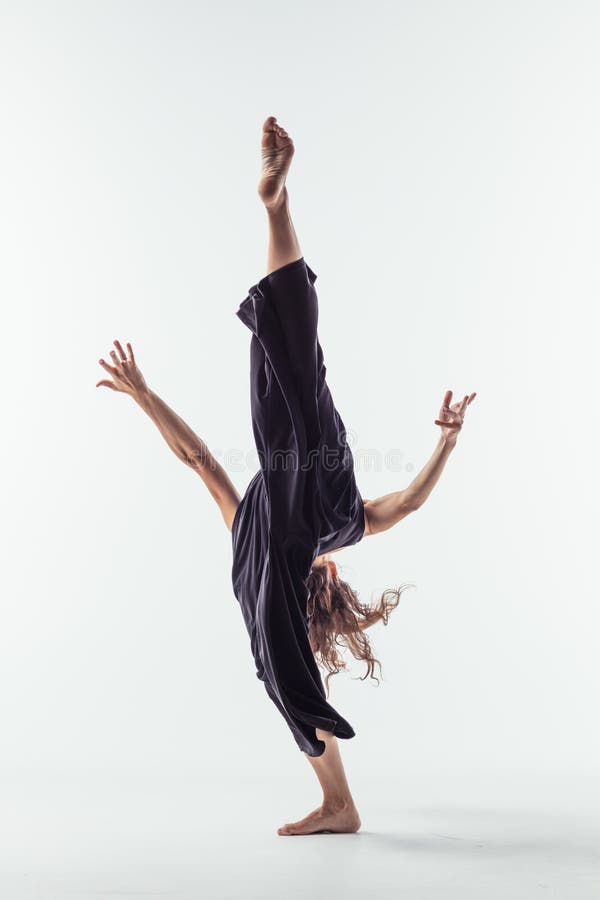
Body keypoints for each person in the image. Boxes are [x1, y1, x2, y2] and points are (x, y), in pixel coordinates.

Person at [96, 116, 476, 836]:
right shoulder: (340, 521)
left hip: (279, 443)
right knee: (299, 361)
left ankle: (340, 803)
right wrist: (447, 446)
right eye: (325, 586)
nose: (324, 577)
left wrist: (147, 397)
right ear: (329, 578)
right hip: (312, 446)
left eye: (315, 589)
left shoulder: (259, 540)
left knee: (280, 673)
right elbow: (409, 503)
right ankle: (276, 205)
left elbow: (199, 461)